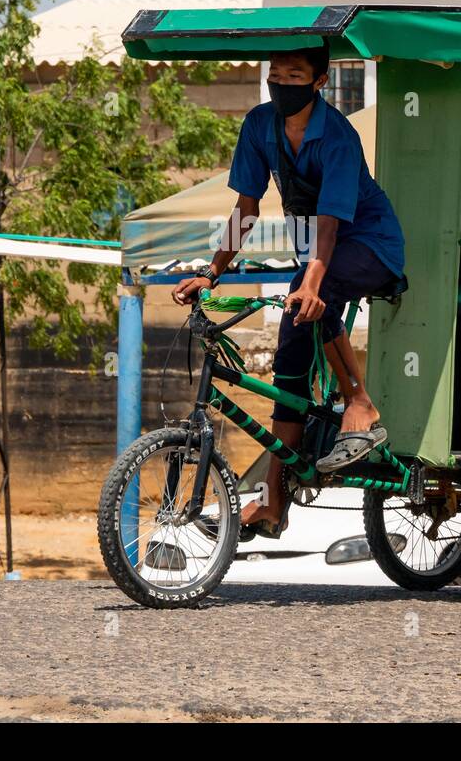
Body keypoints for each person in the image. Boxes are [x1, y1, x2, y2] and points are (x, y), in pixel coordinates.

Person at [172, 44, 406, 537]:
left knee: (309, 291)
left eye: (294, 74)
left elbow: (330, 220)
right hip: (320, 255)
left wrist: (313, 282)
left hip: (370, 245)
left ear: (319, 81)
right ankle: (274, 502)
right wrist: (211, 272)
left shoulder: (337, 136)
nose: (281, 81)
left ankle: (360, 403)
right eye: (275, 72)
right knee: (289, 358)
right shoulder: (259, 125)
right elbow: (247, 205)